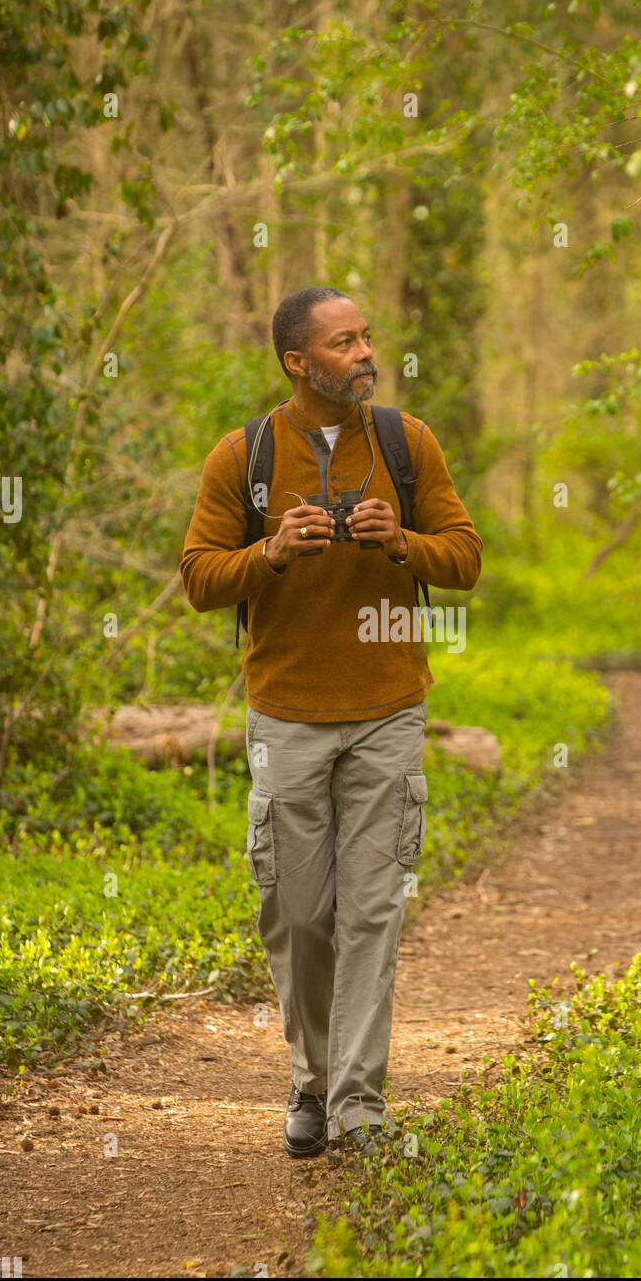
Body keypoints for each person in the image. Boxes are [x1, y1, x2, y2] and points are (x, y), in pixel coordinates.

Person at [180, 286, 482, 1161]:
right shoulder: (242, 458)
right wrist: (271, 551)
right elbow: (201, 577)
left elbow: (463, 559)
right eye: (344, 343)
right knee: (299, 913)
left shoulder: (406, 443)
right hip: (287, 715)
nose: (364, 354)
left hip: (389, 710)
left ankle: (357, 1106)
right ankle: (311, 1080)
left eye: (366, 339)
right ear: (297, 362)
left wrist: (401, 542)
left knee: (373, 910)